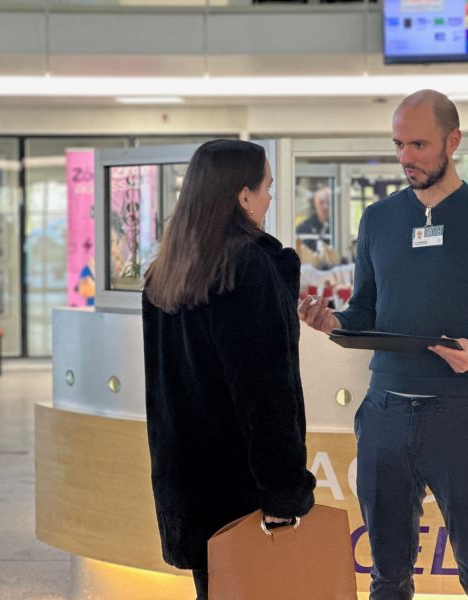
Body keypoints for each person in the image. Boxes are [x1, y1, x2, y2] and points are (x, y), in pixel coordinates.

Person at [298, 90, 468, 600]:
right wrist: (332, 323)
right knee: (386, 576)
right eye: (397, 145)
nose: (405, 157)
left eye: (418, 144)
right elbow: (366, 311)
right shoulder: (378, 220)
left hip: (460, 415)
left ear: (453, 142)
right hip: (384, 412)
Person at [142, 139, 316, 600]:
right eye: (266, 189)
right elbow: (266, 395)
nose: (269, 199)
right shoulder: (247, 268)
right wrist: (282, 494)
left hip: (192, 489)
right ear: (242, 196)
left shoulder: (167, 269)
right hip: (244, 494)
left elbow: (163, 391)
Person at [296, 185, 332, 252]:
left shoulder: (338, 229)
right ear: (315, 205)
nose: (325, 207)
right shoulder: (303, 228)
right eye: (321, 203)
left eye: (328, 202)